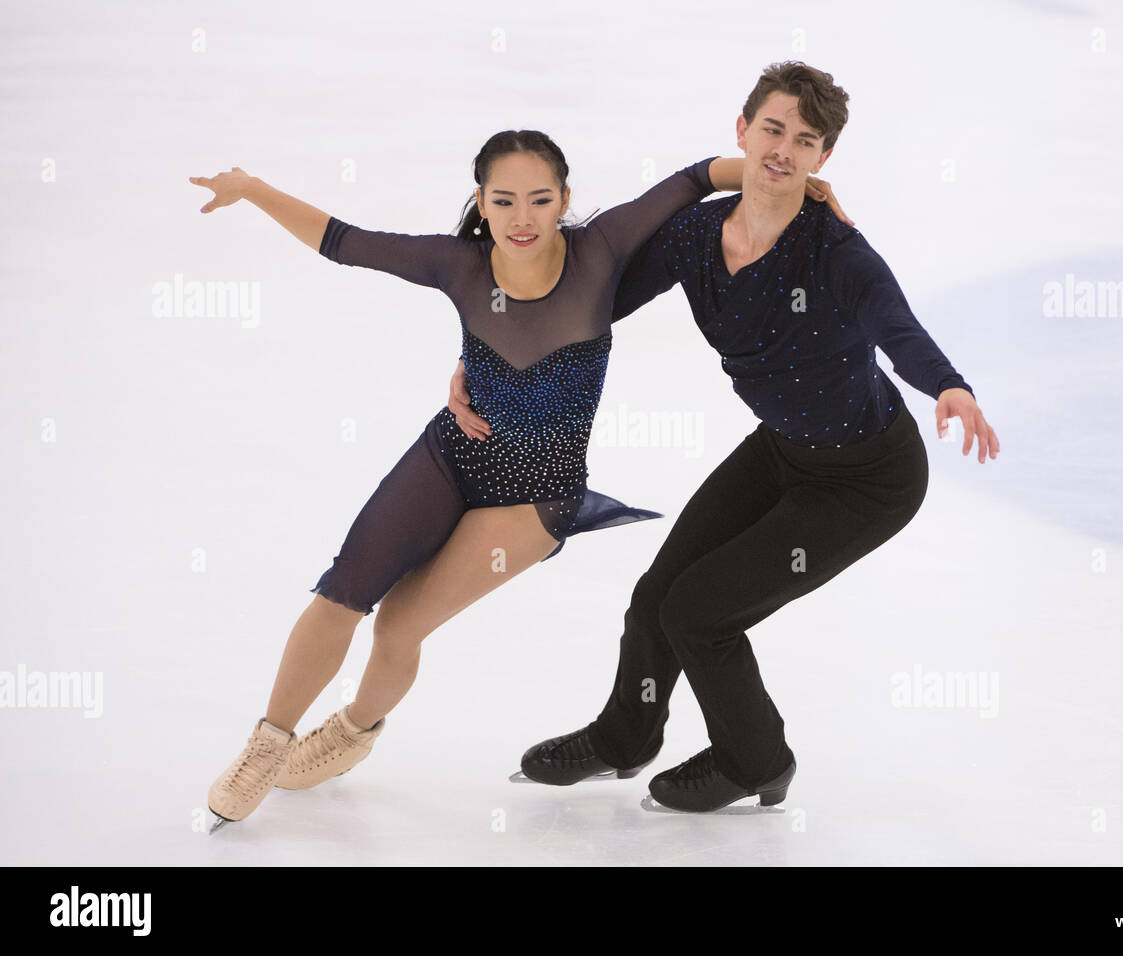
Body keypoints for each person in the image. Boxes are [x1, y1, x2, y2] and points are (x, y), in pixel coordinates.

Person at [188, 131, 843, 831]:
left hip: (536, 496)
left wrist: (782, 178)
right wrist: (253, 191)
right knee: (345, 588)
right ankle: (267, 744)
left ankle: (350, 732)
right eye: (503, 201)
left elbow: (692, 178)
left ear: (565, 199)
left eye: (539, 199)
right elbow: (344, 241)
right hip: (452, 455)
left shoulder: (601, 249)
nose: (522, 217)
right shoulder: (457, 265)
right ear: (481, 203)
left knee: (400, 626)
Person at [448, 62, 1000, 812]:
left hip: (868, 480)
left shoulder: (837, 254)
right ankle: (624, 736)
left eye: (804, 140)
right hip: (783, 450)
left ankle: (757, 760)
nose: (783, 149)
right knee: (656, 597)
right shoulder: (698, 234)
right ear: (742, 131)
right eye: (772, 129)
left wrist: (950, 385)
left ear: (822, 159)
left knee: (699, 612)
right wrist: (484, 351)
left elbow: (894, 324)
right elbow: (589, 300)